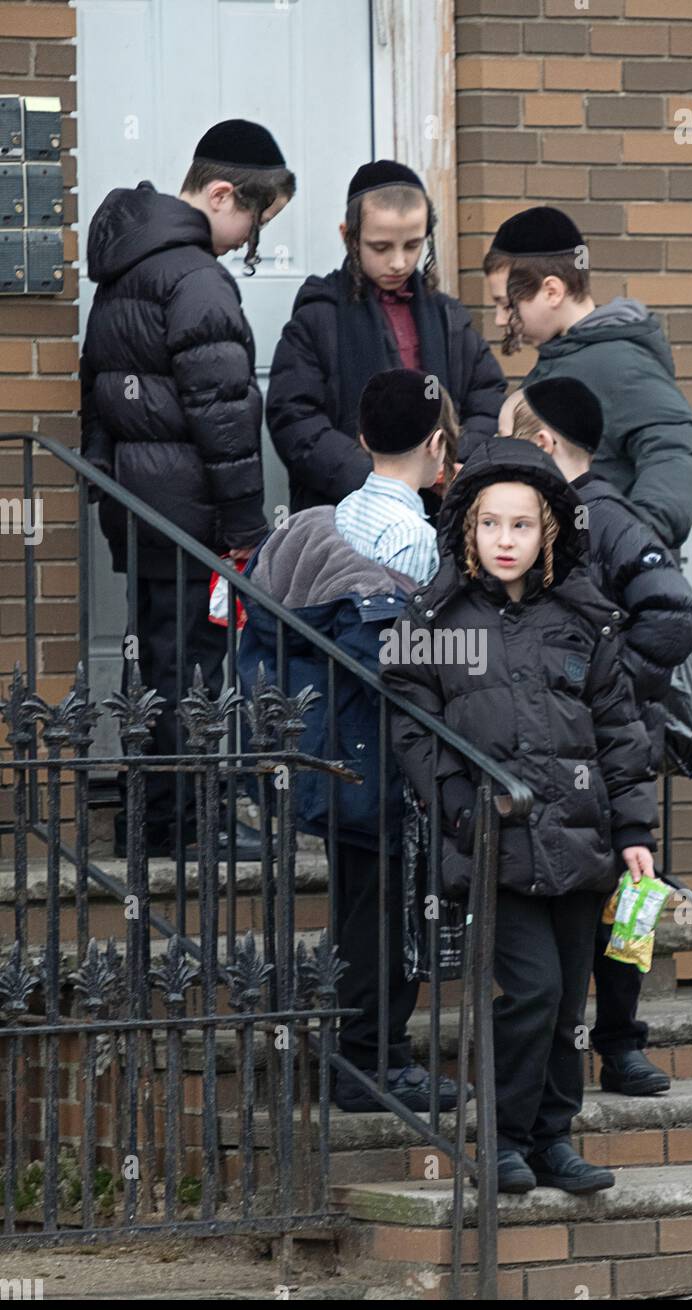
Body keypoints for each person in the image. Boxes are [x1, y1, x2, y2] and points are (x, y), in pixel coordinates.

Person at [381, 436, 660, 1194]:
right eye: (490, 524)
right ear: (467, 528)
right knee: (530, 990)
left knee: (571, 999)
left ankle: (552, 1140)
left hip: (579, 842)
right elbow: (409, 720)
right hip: (490, 842)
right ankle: (500, 1138)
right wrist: (461, 805)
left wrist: (634, 832)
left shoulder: (585, 617)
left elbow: (619, 731)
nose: (505, 540)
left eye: (522, 526)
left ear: (550, 534)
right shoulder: (434, 617)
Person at [238, 369, 466, 1113]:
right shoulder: (410, 538)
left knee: (360, 906)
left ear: (363, 439)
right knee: (388, 913)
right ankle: (372, 1061)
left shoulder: (325, 519)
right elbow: (401, 658)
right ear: (438, 445)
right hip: (386, 758)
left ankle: (358, 1049)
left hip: (335, 753)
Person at [81, 119, 295, 858]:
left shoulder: (124, 267)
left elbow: (98, 400)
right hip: (192, 517)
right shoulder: (197, 276)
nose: (248, 242)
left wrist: (108, 492)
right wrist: (245, 529)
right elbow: (225, 414)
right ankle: (190, 829)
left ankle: (155, 820)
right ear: (221, 193)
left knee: (159, 666)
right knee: (195, 671)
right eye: (254, 223)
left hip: (141, 514)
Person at [500, 378, 692, 1095]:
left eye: (510, 441)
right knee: (594, 900)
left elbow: (674, 615)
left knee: (629, 897)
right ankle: (596, 1046)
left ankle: (620, 1041)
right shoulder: (543, 520)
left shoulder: (606, 520)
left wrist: (605, 688)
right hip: (566, 755)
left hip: (610, 753)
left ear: (545, 445)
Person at [266, 159, 506, 514]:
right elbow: (294, 419)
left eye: (412, 245)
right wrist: (381, 480)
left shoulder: (448, 317)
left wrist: (453, 460)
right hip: (346, 514)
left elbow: (488, 399)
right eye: (381, 247)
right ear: (348, 235)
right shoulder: (318, 316)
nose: (399, 262)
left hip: (439, 510)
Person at [484, 206, 692, 551]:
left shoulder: (615, 362)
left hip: (603, 582)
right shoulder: (563, 357)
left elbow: (678, 445)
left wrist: (634, 541)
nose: (500, 320)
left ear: (552, 291)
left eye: (506, 304)